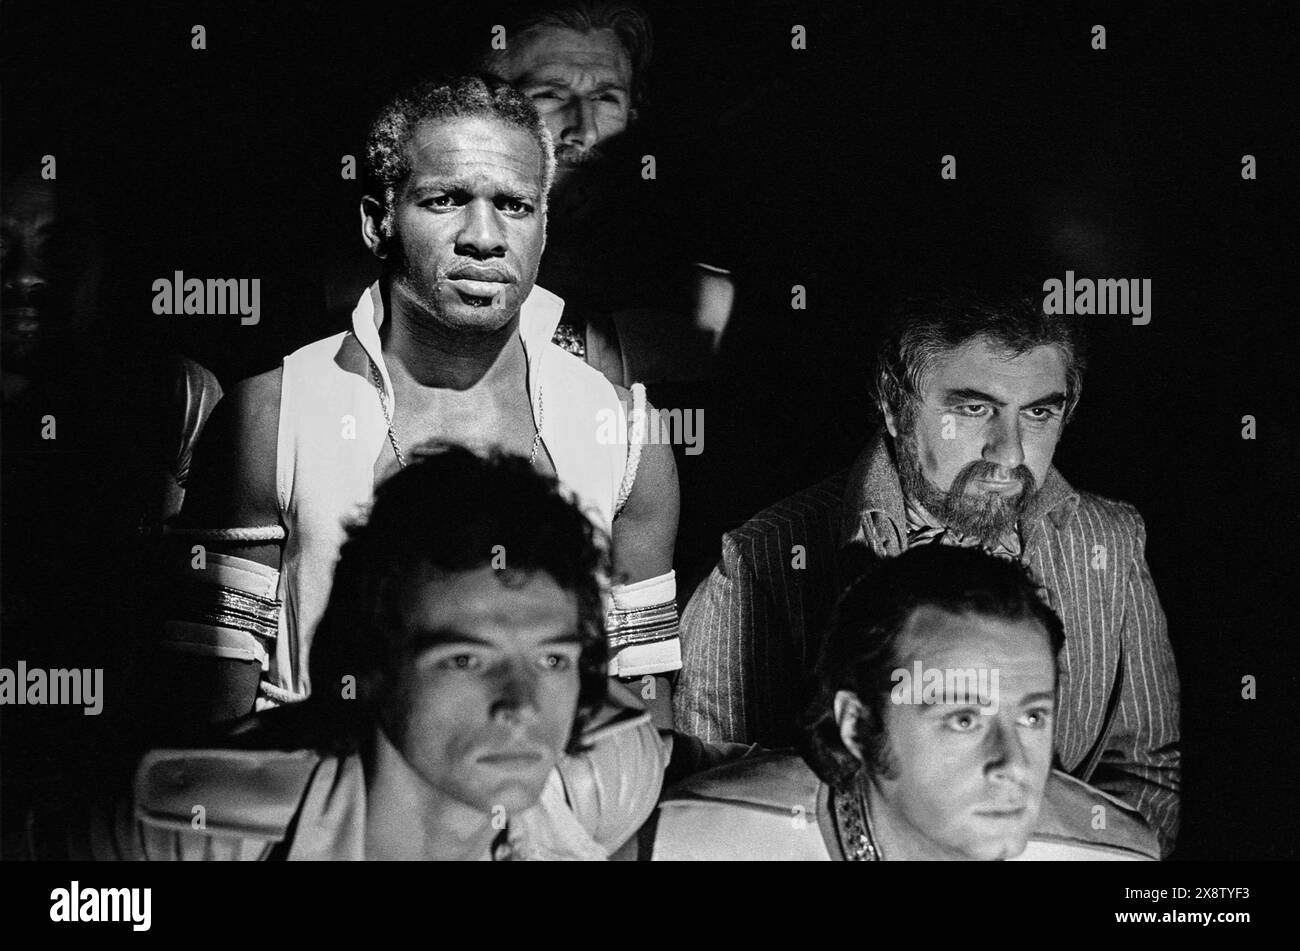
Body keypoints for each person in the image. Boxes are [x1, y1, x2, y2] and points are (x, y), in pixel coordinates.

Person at [160, 76, 682, 725]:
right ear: (378, 221)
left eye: (515, 206)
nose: (484, 237)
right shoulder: (273, 416)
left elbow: (646, 717)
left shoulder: (624, 433)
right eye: (446, 200)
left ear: (544, 226)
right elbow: (206, 731)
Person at [675, 285, 1180, 854]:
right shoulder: (762, 558)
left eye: (1039, 412)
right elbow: (714, 792)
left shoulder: (1109, 541)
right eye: (974, 408)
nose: (1009, 452)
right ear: (894, 408)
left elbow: (1145, 773)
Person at [20, 447, 668, 861]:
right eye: (466, 659)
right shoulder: (182, 829)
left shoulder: (610, 775)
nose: (522, 708)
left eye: (552, 659)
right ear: (372, 665)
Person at [649, 546, 1159, 861]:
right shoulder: (695, 842)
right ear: (858, 727)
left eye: (1031, 716)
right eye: (963, 718)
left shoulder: (1114, 856)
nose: (1013, 764)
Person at [480, 0, 735, 386]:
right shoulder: (395, 276)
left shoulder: (697, 295)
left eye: (606, 98)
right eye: (550, 94)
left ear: (633, 114)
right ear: (480, 112)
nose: (585, 131)